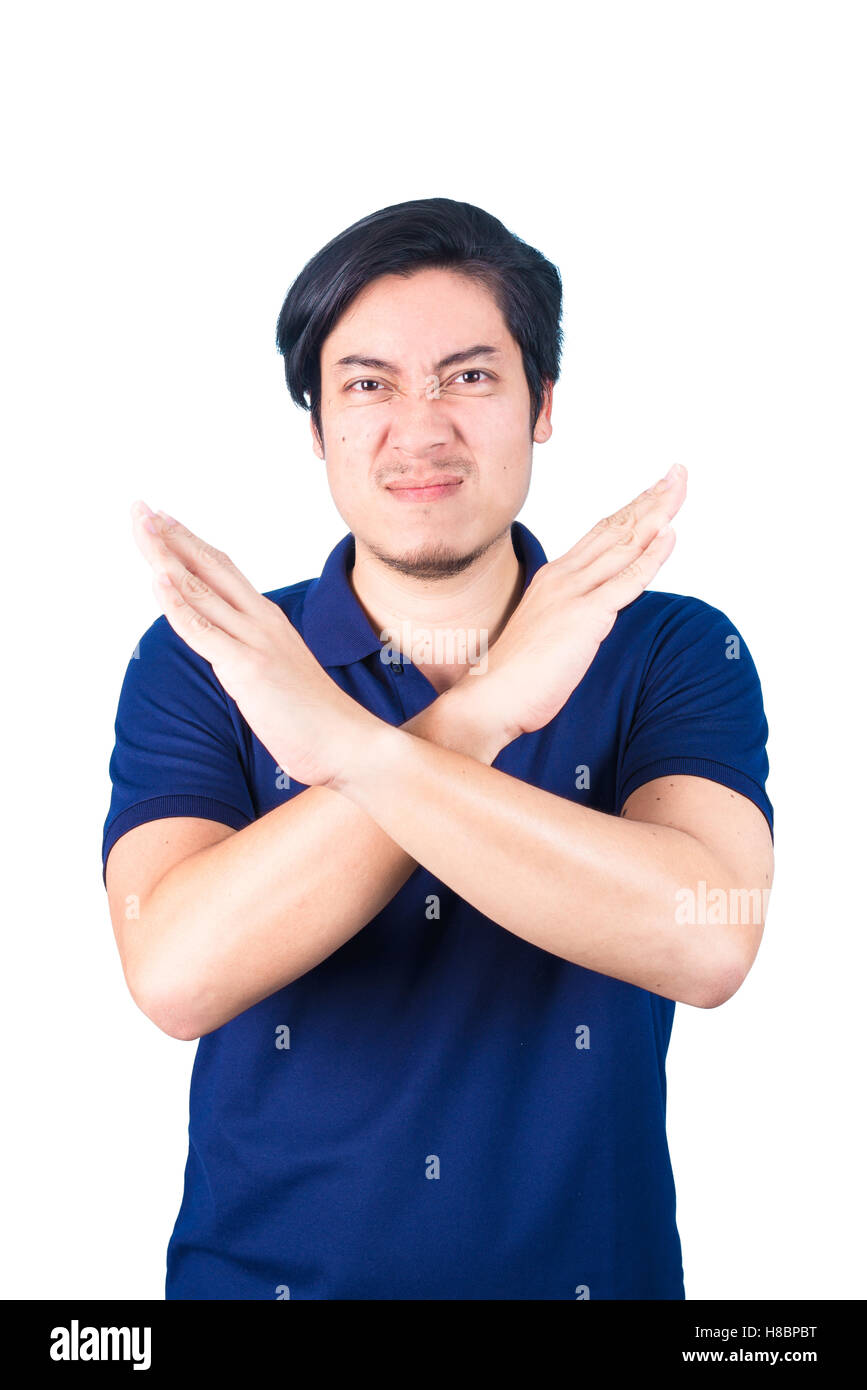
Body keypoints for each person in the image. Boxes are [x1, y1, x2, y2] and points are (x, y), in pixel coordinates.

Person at [102, 197, 774, 1300]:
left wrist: (351, 751)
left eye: (468, 377)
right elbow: (176, 975)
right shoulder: (218, 657)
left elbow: (706, 941)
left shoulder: (669, 646)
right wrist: (482, 712)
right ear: (317, 426)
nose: (418, 430)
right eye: (368, 384)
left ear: (542, 402)